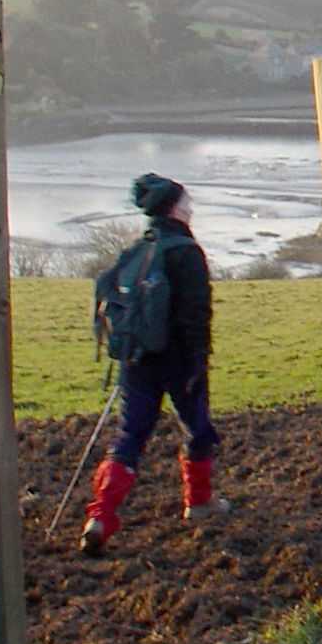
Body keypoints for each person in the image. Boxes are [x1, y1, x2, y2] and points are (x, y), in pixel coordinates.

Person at [80, 173, 228, 556]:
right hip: (179, 359)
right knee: (197, 429)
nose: (191, 208)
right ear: (176, 209)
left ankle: (100, 517)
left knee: (129, 438)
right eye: (187, 203)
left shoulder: (135, 250)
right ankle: (198, 503)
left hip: (136, 360)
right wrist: (199, 361)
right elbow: (197, 314)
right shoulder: (186, 252)